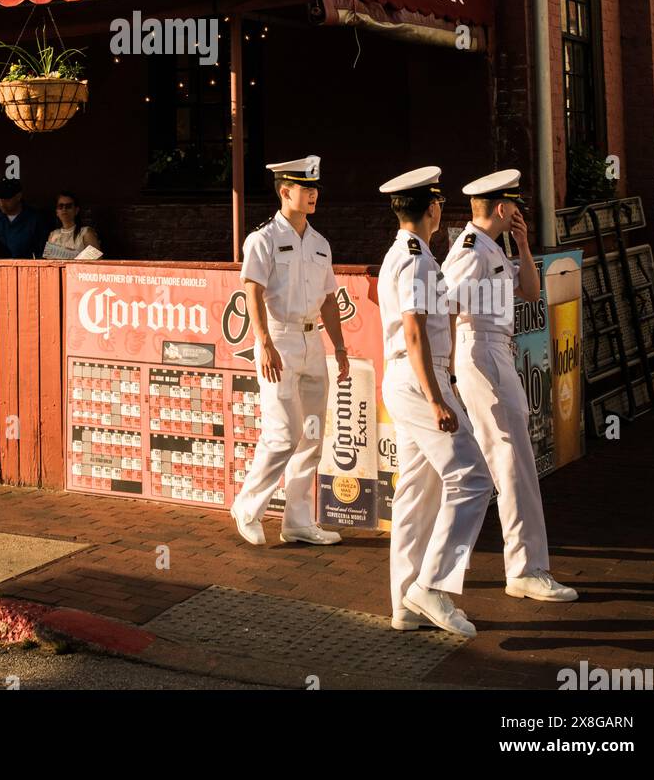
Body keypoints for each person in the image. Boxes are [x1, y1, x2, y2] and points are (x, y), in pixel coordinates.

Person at [442, 169, 578, 604]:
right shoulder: (470, 250)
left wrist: (522, 246)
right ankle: (524, 568)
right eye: (515, 206)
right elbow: (446, 306)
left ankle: (454, 562)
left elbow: (531, 294)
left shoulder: (492, 246)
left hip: (494, 351)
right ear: (502, 208)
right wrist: (446, 369)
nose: (519, 211)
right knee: (512, 462)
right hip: (482, 353)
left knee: (493, 464)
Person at [378, 166, 493, 638]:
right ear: (432, 209)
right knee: (473, 479)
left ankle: (405, 603)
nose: (442, 210)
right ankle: (431, 587)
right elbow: (414, 330)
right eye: (440, 203)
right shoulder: (419, 260)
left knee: (417, 493)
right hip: (419, 380)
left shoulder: (401, 254)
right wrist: (436, 397)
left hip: (407, 376)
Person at [229, 155, 350, 548]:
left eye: (315, 188)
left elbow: (330, 299)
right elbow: (253, 291)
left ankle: (298, 521)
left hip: (313, 341)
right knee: (283, 434)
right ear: (285, 191)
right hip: (278, 340)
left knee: (311, 437)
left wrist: (341, 347)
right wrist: (261, 341)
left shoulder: (320, 243)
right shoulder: (262, 239)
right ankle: (247, 507)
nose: (313, 194)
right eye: (305, 187)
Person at [0, 178, 52, 258]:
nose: (2, 204)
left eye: (6, 199)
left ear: (18, 196)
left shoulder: (35, 219)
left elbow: (43, 252)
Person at [42, 191, 100, 259]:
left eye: (68, 206)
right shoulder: (53, 235)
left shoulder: (86, 232)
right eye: (60, 206)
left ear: (76, 210)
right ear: (57, 212)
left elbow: (97, 260)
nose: (64, 209)